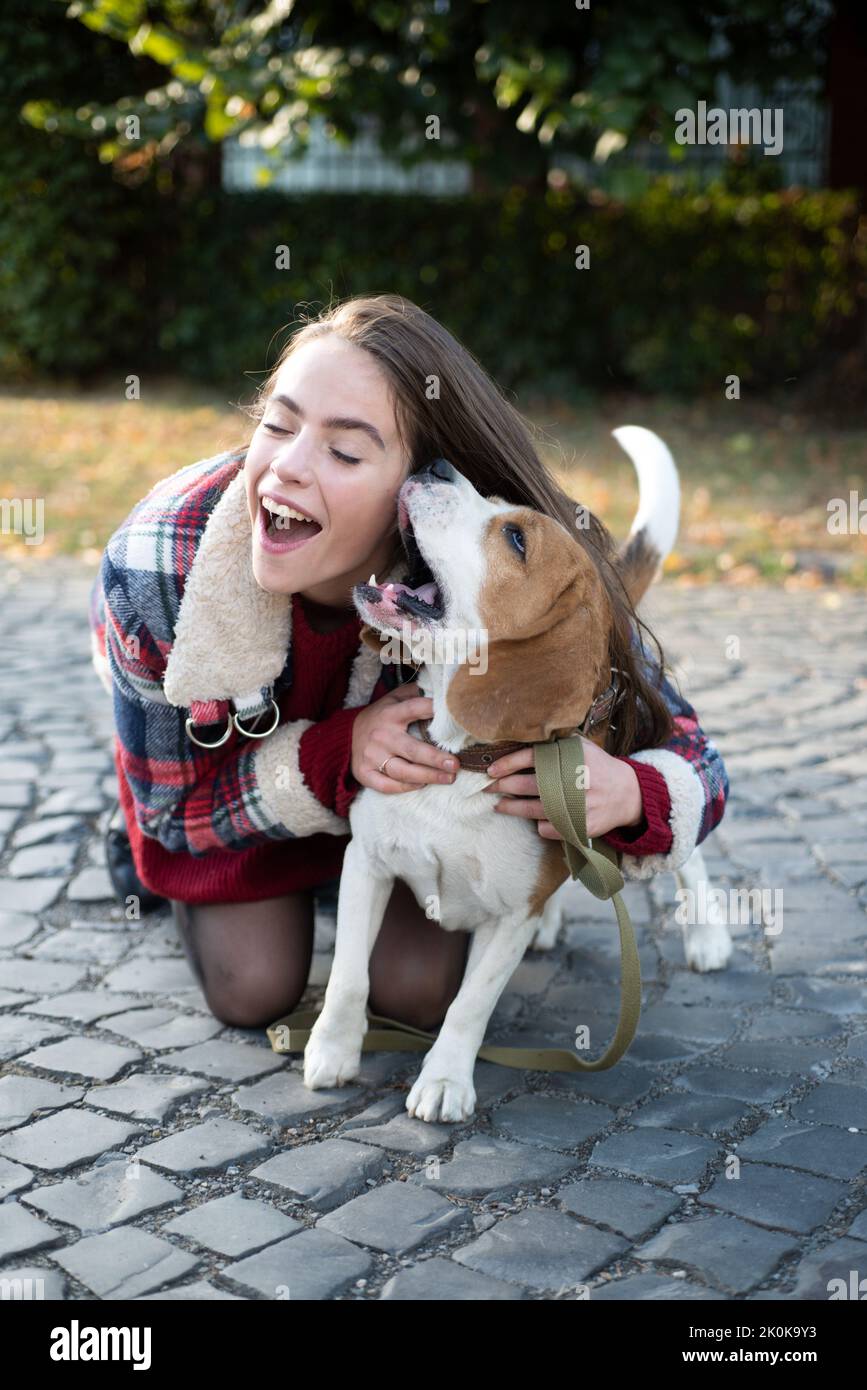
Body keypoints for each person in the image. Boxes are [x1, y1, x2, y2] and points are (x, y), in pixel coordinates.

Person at [88, 293, 728, 1033]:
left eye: (345, 450)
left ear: (420, 488)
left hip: (405, 813)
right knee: (251, 989)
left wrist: (638, 792)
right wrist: (335, 754)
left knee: (416, 996)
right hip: (241, 793)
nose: (287, 468)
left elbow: (688, 749)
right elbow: (173, 815)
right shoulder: (158, 564)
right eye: (276, 423)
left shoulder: (495, 560)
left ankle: (348, 868)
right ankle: (128, 836)